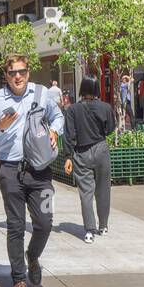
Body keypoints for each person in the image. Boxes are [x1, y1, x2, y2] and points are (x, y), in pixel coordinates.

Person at [0, 55, 64, 287]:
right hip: (10, 170)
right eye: (13, 72)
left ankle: (33, 256)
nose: (18, 76)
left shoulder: (41, 94)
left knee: (45, 221)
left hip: (40, 171)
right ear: (5, 75)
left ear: (28, 72)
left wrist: (54, 130)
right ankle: (18, 280)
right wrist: (0, 127)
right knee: (15, 225)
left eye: (22, 71)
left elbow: (58, 116)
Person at [63, 76, 116, 243]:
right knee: (103, 189)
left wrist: (68, 156)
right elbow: (110, 129)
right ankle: (104, 225)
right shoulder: (105, 107)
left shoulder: (72, 110)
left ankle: (89, 230)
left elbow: (69, 135)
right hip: (101, 148)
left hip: (81, 152)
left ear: (81, 90)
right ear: (96, 90)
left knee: (86, 192)